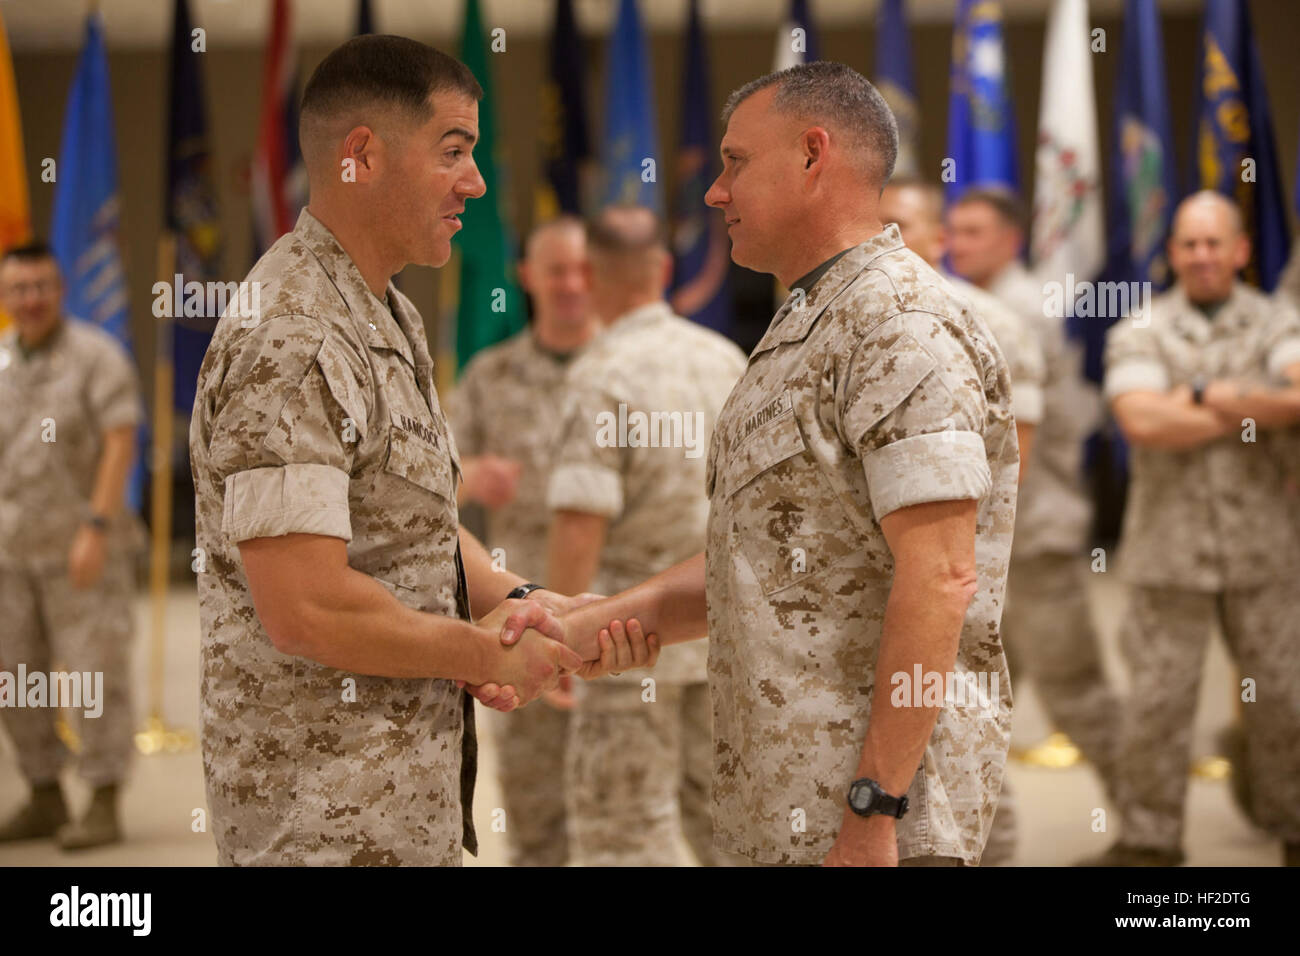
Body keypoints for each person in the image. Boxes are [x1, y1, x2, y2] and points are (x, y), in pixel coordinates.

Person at [515, 61, 1017, 867]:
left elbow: (941, 577)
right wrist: (585, 623)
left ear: (814, 155)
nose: (715, 191)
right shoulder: (803, 330)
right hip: (780, 801)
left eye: (735, 162)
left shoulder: (900, 326)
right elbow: (761, 565)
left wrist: (874, 806)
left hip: (869, 816)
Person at [188, 35, 644, 867]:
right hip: (320, 815)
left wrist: (529, 601)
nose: (476, 180)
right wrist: (487, 651)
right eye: (454, 151)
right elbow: (306, 606)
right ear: (361, 156)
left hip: (404, 795)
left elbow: (410, 528)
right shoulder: (293, 335)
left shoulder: (385, 312)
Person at [1085, 191, 1300, 867]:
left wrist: (1198, 395)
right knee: (1156, 703)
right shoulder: (1140, 328)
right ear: (1172, 252)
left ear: (1240, 249)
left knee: (1284, 700)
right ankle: (1149, 839)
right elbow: (1143, 422)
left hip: (1266, 550)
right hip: (1167, 553)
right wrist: (1250, 403)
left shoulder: (1279, 320)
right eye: (1188, 243)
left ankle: (1291, 821)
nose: (1202, 255)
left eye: (1216, 242)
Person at [544, 205, 747, 866]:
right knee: (731, 824)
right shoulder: (727, 359)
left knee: (624, 831)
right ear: (662, 270)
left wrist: (560, 638)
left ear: (591, 277)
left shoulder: (601, 374)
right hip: (721, 625)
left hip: (625, 639)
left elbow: (581, 521)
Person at [880, 178, 1046, 865]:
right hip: (874, 575)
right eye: (877, 223)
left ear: (938, 238)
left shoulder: (990, 322)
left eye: (902, 224)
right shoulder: (860, 316)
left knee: (959, 728)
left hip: (956, 564)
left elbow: (1015, 458)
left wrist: (952, 556)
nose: (887, 238)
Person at [947, 188, 1120, 830]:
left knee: (1074, 685)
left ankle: (1152, 827)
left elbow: (1050, 428)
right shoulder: (963, 304)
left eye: (973, 231)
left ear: (1011, 240)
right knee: (972, 695)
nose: (957, 244)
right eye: (954, 230)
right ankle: (984, 833)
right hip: (990, 535)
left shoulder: (1020, 313)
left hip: (1035, 527)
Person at [445, 216, 599, 866]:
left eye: (583, 270)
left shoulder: (634, 372)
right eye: (556, 270)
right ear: (528, 278)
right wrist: (471, 478)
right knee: (538, 821)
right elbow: (413, 500)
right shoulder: (489, 377)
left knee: (638, 819)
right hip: (526, 625)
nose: (570, 285)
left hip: (614, 619)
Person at [0, 241, 142, 850]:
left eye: (41, 287)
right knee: (16, 676)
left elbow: (120, 439)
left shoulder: (96, 356)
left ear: (60, 290)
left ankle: (104, 796)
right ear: (6, 298)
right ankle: (43, 792)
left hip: (83, 550)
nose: (31, 299)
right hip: (10, 554)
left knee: (92, 674)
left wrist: (97, 526)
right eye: (18, 289)